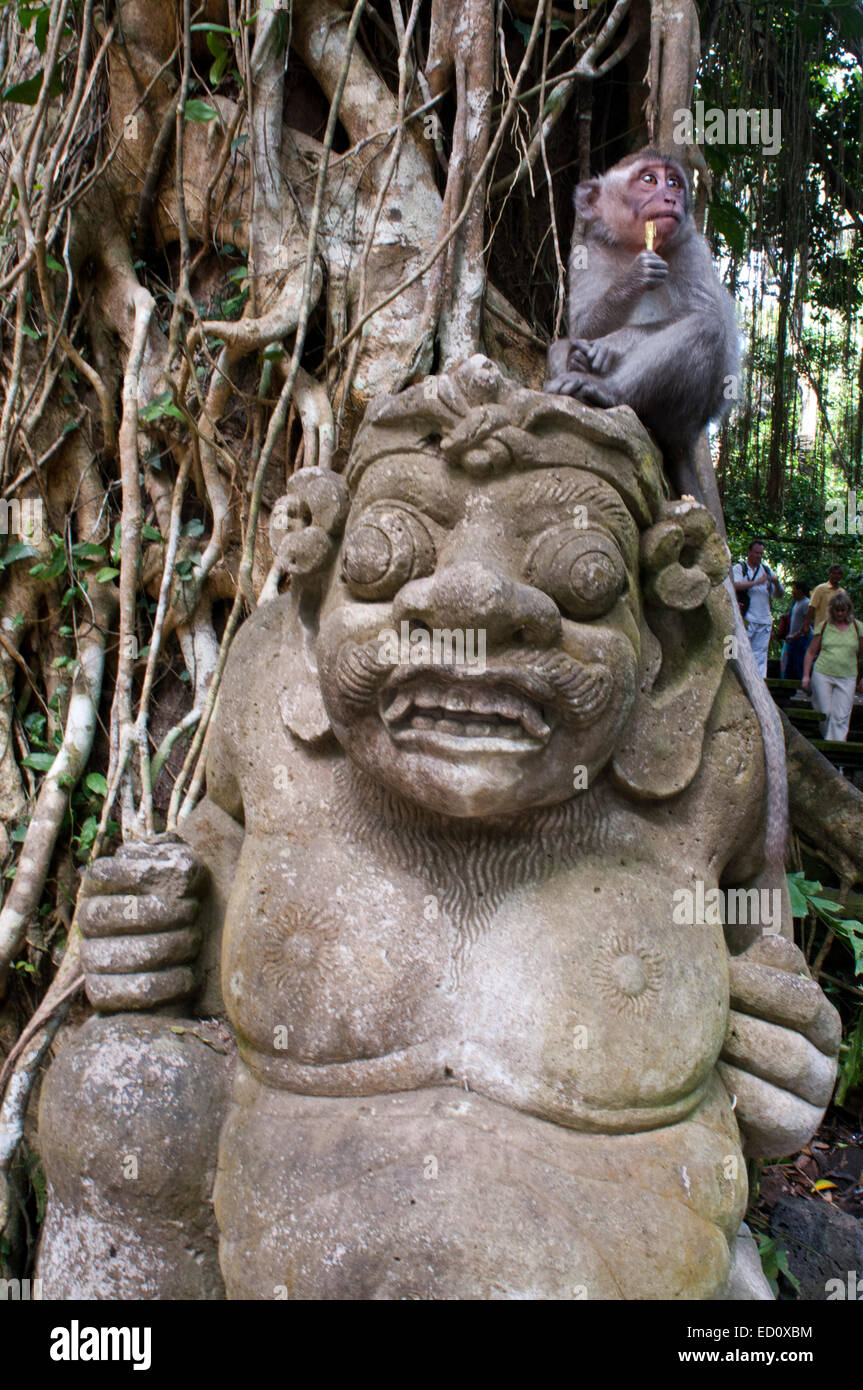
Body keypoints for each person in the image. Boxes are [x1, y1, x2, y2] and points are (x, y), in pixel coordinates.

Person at [801, 591, 863, 742]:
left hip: (847, 676)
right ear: (832, 610)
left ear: (848, 610)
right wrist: (806, 675)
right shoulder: (824, 626)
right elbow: (810, 652)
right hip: (823, 674)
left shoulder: (857, 627)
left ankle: (835, 755)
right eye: (837, 610)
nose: (840, 613)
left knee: (841, 717)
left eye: (843, 610)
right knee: (825, 712)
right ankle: (830, 746)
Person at [732, 539, 784, 678]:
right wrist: (757, 582)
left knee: (760, 655)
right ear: (749, 552)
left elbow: (779, 595)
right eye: (756, 553)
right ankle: (739, 680)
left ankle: (760, 682)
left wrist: (776, 582)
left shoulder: (766, 570)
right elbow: (735, 585)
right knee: (739, 651)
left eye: (761, 554)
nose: (759, 556)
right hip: (746, 619)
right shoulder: (740, 568)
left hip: (764, 620)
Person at [804, 564, 847, 636]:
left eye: (839, 574)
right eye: (834, 573)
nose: (836, 576)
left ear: (841, 576)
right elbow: (812, 607)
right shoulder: (820, 589)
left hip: (838, 631)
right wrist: (806, 625)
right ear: (829, 574)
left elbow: (845, 611)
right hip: (822, 630)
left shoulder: (842, 592)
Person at [781, 581, 811, 681]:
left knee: (798, 664)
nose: (792, 592)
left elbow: (807, 621)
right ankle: (789, 689)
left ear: (800, 591)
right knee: (790, 664)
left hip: (800, 638)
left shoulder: (806, 603)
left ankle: (800, 687)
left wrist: (798, 634)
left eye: (794, 589)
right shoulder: (797, 603)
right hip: (793, 638)